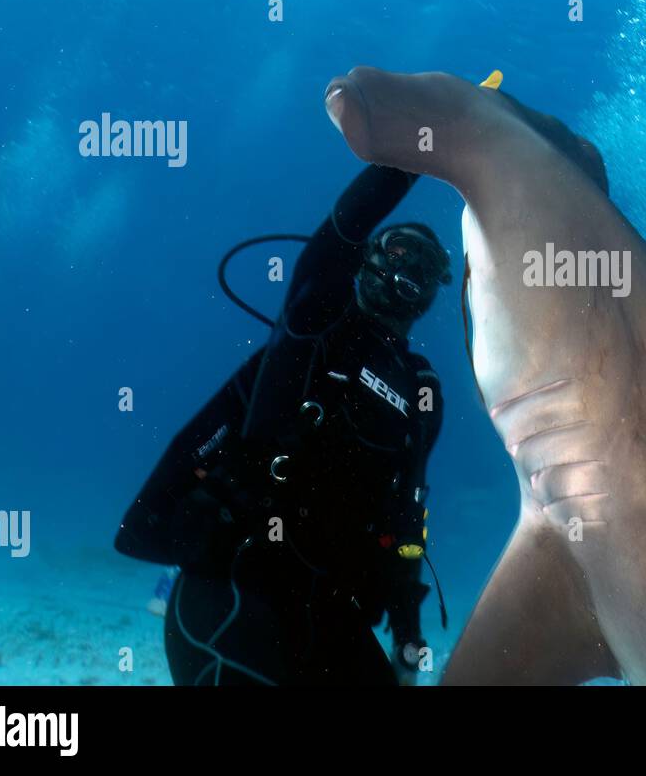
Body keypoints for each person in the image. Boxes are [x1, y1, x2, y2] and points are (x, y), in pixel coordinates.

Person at [115, 165, 450, 686]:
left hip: (331, 611)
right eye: (400, 252)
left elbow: (405, 514)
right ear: (367, 261)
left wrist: (407, 629)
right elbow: (330, 245)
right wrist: (412, 148)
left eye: (427, 268)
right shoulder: (315, 329)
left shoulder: (420, 391)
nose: (410, 272)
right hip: (235, 592)